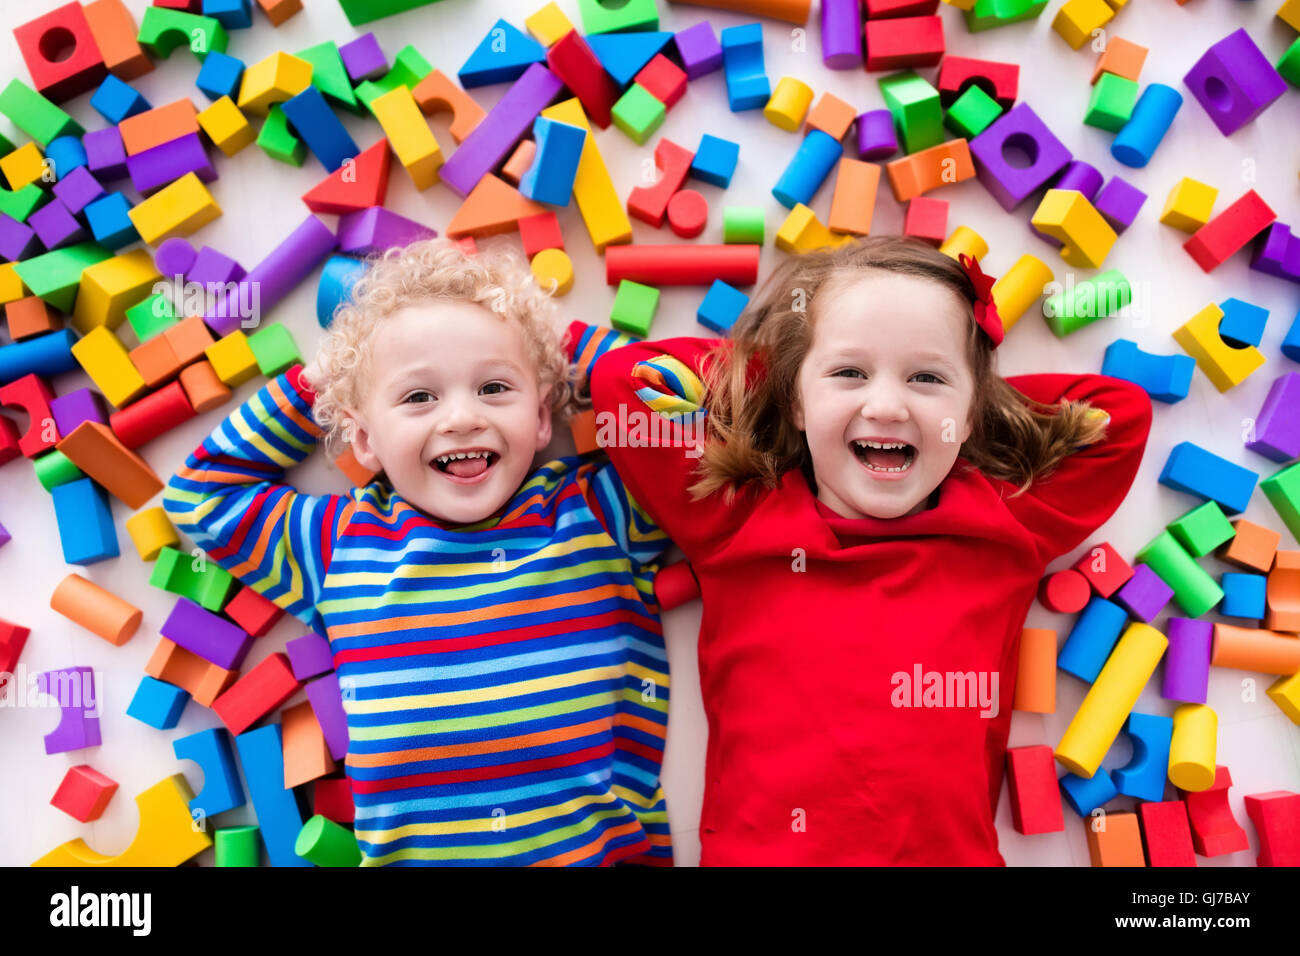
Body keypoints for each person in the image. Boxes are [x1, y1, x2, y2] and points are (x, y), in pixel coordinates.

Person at [574, 236, 1153, 865]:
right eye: (850, 373)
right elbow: (623, 381)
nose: (885, 405)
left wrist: (969, 408)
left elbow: (1121, 415)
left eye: (925, 378)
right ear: (796, 398)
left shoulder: (1002, 531)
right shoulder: (736, 518)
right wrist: (790, 379)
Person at [163, 238, 673, 866]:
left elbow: (701, 423)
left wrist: (562, 348)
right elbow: (200, 493)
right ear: (365, 438)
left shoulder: (596, 515)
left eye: (493, 388)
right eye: (418, 397)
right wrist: (323, 375)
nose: (461, 418)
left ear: (543, 419)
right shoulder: (339, 545)